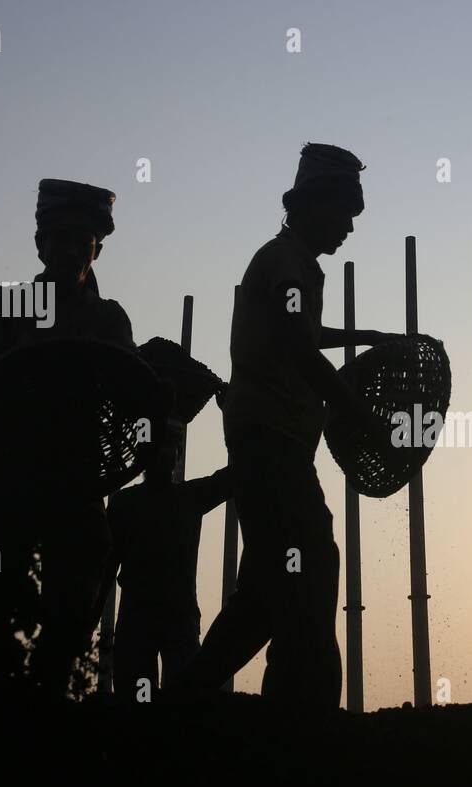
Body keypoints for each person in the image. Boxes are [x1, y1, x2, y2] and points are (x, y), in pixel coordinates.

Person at [209, 143, 396, 710]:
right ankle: (303, 713)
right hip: (272, 445)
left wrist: (366, 339)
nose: (347, 229)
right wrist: (359, 413)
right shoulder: (284, 263)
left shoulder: (290, 267)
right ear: (312, 206)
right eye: (343, 215)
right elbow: (297, 345)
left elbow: (300, 331)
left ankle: (187, 698)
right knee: (312, 566)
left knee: (267, 590)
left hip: (275, 443)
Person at [0, 179, 138, 697]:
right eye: (59, 239)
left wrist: (155, 397)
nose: (70, 249)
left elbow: (132, 386)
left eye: (82, 240)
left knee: (78, 590)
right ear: (40, 245)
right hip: (6, 473)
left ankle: (45, 696)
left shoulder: (107, 318)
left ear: (97, 249)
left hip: (73, 478)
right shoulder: (6, 306)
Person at [100, 420, 233, 701]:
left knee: (177, 699)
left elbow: (232, 478)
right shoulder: (130, 503)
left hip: (169, 614)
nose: (165, 454)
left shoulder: (183, 498)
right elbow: (109, 563)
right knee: (151, 699)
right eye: (159, 447)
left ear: (177, 455)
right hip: (147, 615)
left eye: (170, 447)